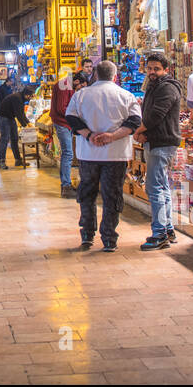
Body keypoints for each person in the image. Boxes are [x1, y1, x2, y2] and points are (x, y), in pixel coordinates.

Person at [64, 59, 142, 251]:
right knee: (112, 195)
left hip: (88, 154)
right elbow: (134, 121)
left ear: (95, 75)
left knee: (87, 194)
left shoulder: (81, 95)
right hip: (115, 155)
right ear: (114, 76)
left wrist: (89, 135)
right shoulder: (126, 95)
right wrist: (112, 136)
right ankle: (109, 238)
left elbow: (71, 118)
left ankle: (87, 235)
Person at [133, 51, 183, 251]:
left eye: (156, 69)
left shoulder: (167, 88)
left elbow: (156, 116)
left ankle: (159, 233)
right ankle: (167, 229)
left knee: (154, 188)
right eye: (150, 68)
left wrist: (139, 131)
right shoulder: (154, 86)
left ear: (166, 70)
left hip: (161, 144)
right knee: (162, 187)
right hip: (156, 141)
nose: (152, 72)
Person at [50, 70, 87, 198]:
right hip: (62, 123)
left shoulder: (67, 85)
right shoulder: (64, 86)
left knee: (68, 153)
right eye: (80, 86)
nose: (80, 89)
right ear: (76, 81)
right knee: (68, 153)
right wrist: (77, 114)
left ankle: (67, 184)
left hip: (65, 123)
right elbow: (61, 108)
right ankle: (65, 186)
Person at [0, 82, 29, 169]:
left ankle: (18, 160)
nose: (29, 98)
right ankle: (1, 161)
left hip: (10, 117)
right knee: (5, 139)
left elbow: (22, 114)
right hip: (3, 117)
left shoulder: (21, 99)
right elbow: (18, 115)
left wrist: (28, 123)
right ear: (26, 94)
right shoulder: (17, 98)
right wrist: (24, 125)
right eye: (29, 96)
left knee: (14, 138)